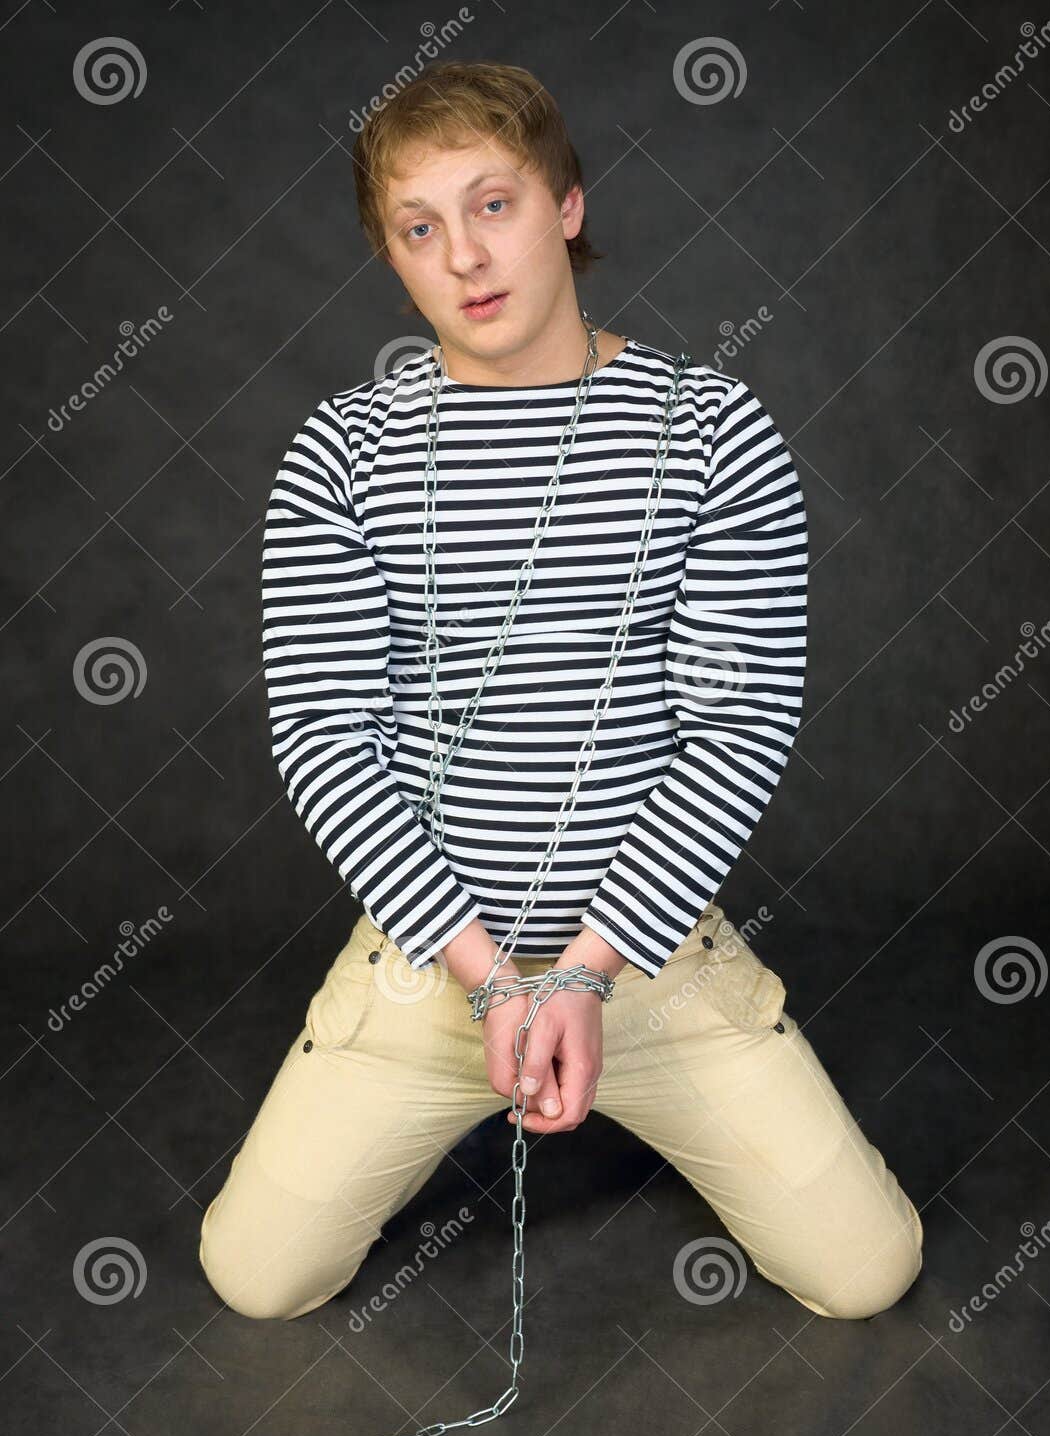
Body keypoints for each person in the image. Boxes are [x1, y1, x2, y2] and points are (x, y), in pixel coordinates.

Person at [198, 60, 922, 1330]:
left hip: (643, 961)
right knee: (258, 1280)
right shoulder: (341, 453)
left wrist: (584, 975)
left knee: (871, 1276)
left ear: (569, 207)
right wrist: (490, 981)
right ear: (392, 257)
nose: (466, 255)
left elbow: (734, 729)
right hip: (436, 965)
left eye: (496, 205)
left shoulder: (712, 430)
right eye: (420, 228)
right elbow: (325, 736)